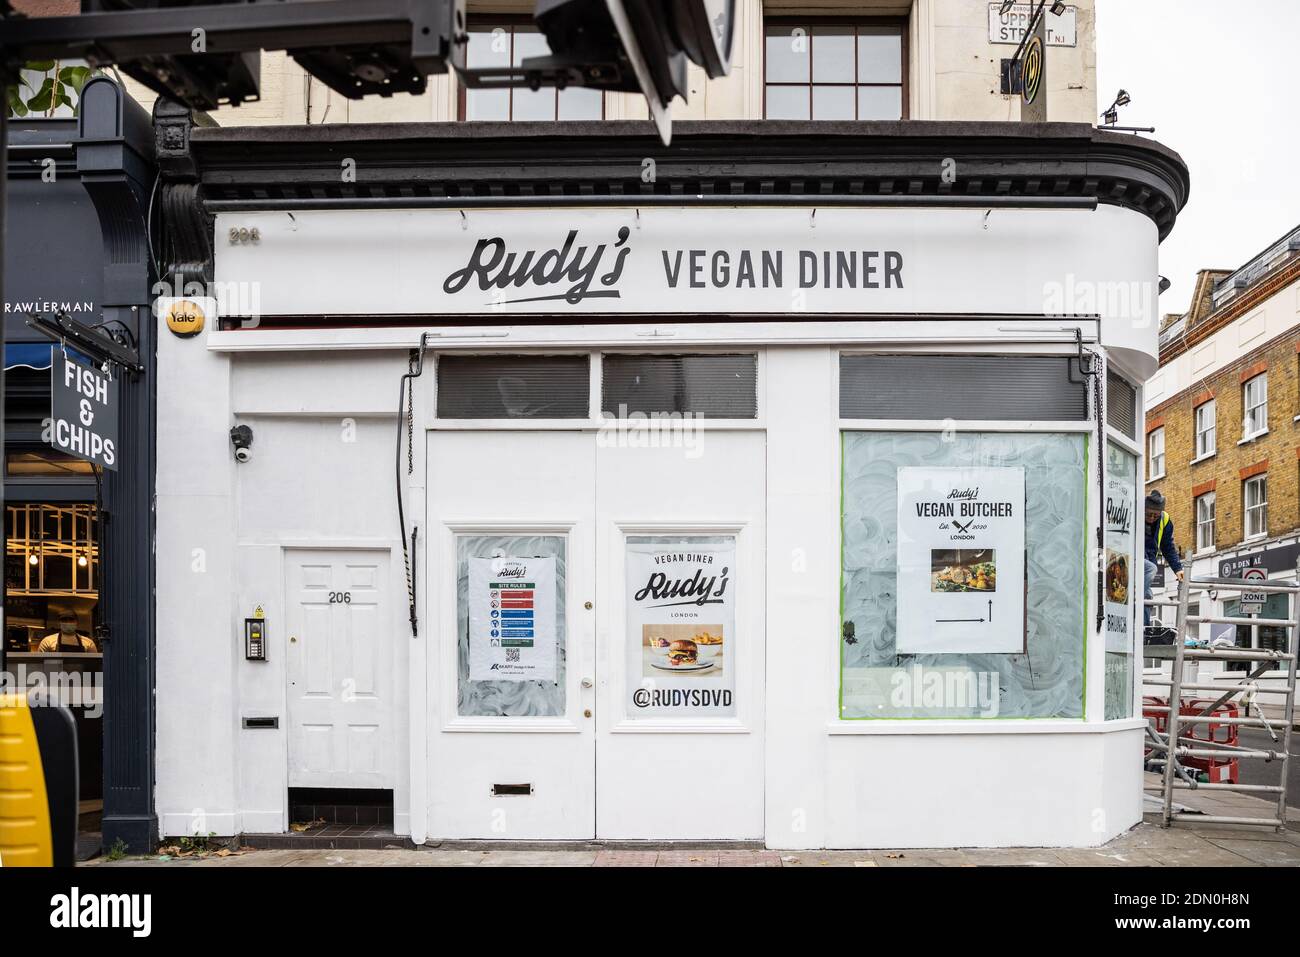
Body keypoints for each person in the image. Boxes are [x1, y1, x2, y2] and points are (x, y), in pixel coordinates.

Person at [1144, 490, 1183, 627]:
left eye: (1156, 515)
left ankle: (1144, 631)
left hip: (1149, 557)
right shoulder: (1135, 511)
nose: (1152, 518)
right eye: (1149, 514)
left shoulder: (1165, 520)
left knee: (1147, 596)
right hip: (1134, 558)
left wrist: (1177, 569)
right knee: (1150, 570)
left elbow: (1167, 547)